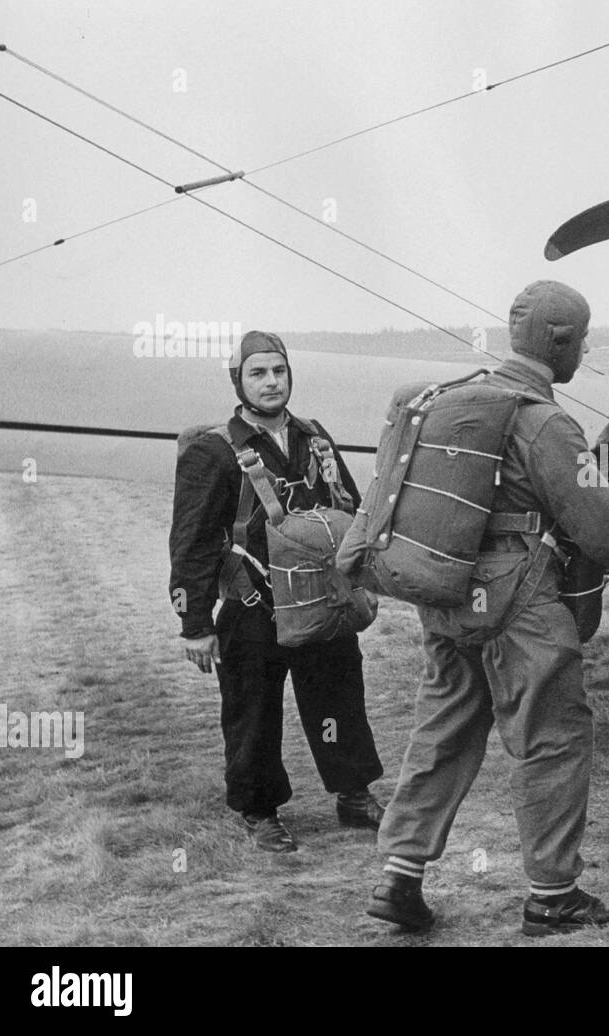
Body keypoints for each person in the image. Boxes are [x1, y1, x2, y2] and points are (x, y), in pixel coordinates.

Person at [366, 281, 609, 937]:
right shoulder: (543, 421)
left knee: (442, 730)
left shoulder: (457, 398)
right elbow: (600, 527)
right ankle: (552, 895)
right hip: (520, 597)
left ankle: (400, 873)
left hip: (446, 593)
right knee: (552, 736)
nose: (585, 349)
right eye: (582, 338)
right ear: (559, 342)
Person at [169, 330, 385, 853]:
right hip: (252, 605)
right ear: (239, 381)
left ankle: (352, 792)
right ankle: (259, 809)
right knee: (253, 711)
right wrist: (195, 624)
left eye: (279, 371)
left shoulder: (315, 437)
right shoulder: (212, 452)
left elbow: (351, 508)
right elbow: (191, 543)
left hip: (319, 599)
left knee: (337, 699)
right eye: (258, 373)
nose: (271, 382)